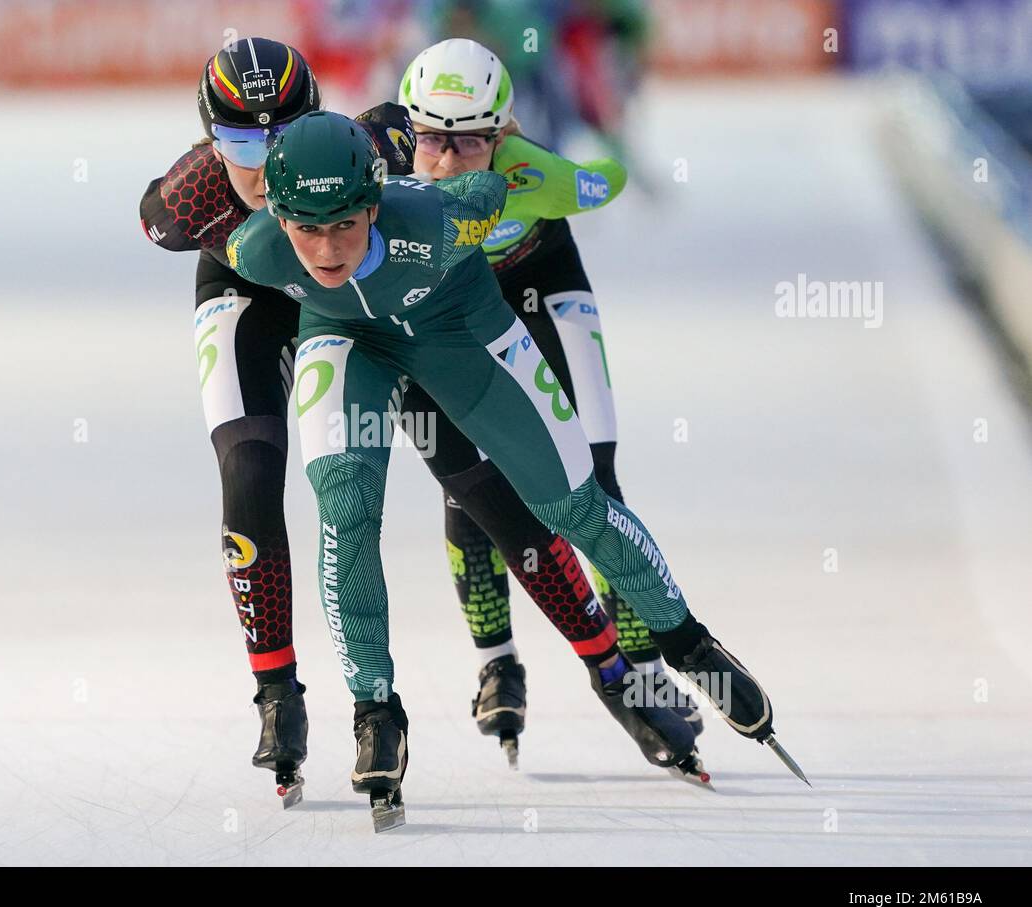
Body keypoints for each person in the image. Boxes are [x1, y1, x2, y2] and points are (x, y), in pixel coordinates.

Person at [138, 38, 692, 804]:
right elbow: (159, 217)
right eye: (238, 143)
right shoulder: (187, 197)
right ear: (208, 141)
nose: (264, 165)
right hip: (253, 296)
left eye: (281, 136)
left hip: (360, 312)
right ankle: (278, 696)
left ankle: (612, 672)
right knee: (251, 470)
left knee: (487, 489)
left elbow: (478, 177)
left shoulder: (374, 141)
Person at [225, 110, 784, 826]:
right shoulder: (258, 249)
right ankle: (375, 708)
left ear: (374, 203)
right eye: (307, 227)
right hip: (350, 345)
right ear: (280, 214)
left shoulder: (443, 218)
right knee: (346, 509)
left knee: (574, 506)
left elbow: (499, 187)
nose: (326, 248)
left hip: (462, 340)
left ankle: (690, 645)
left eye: (344, 224)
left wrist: (519, 147)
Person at [395, 37, 701, 758]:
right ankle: (497, 666)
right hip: (455, 313)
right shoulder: (383, 169)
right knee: (469, 489)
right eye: (431, 139)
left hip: (542, 285)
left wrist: (608, 128)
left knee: (597, 482)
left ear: (502, 135)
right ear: (407, 129)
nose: (444, 160)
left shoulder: (538, 174)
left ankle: (648, 673)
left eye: (469, 142)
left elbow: (610, 177)